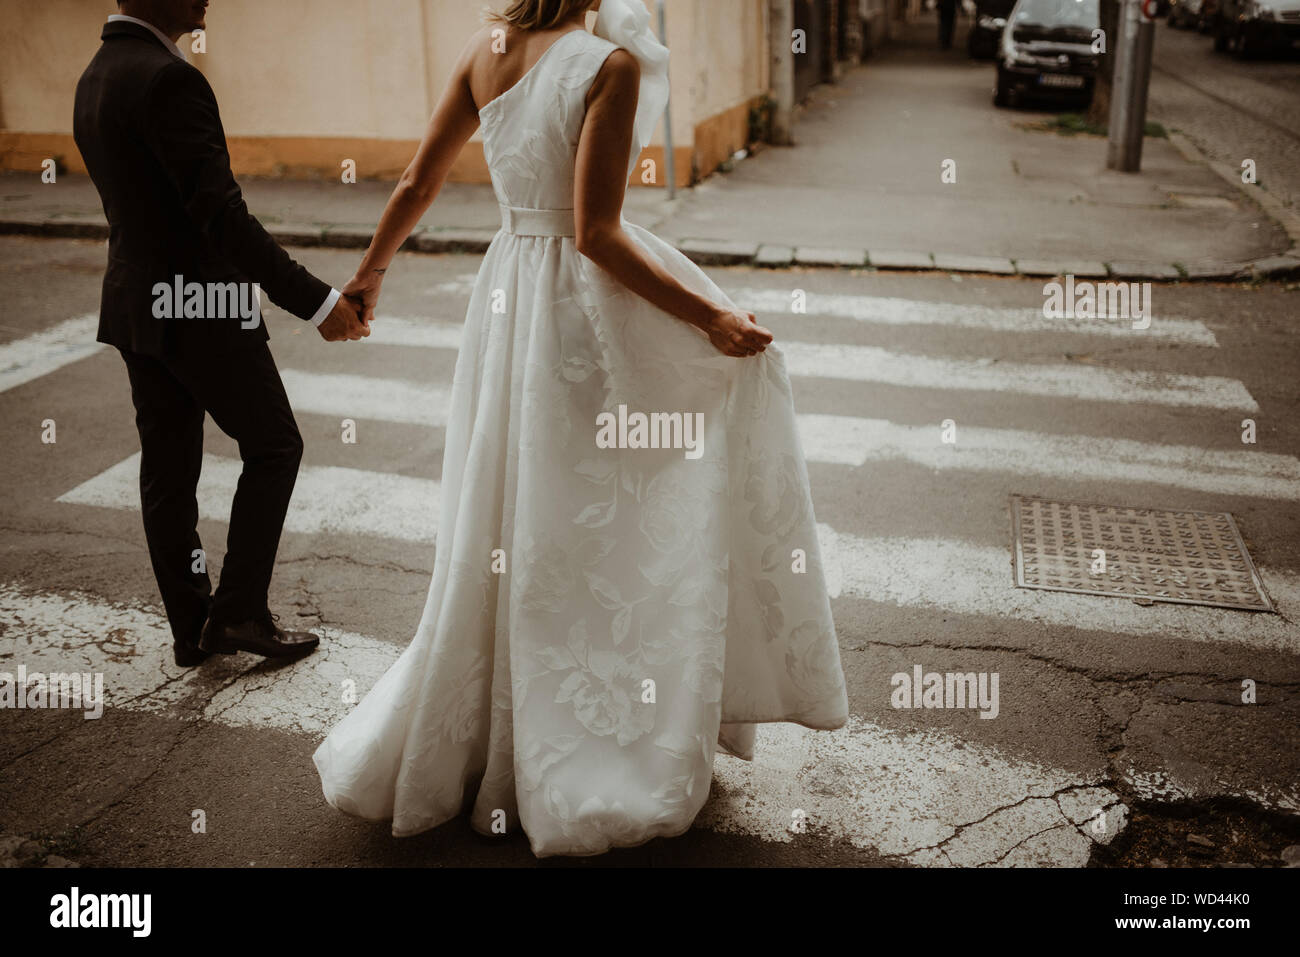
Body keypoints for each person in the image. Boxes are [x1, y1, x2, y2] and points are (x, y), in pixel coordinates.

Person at [313, 0, 848, 857]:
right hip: (572, 316)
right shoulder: (606, 67)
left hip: (506, 297)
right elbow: (597, 235)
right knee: (594, 519)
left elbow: (418, 182)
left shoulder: (483, 52)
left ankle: (496, 731)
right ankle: (593, 721)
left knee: (510, 510)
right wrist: (710, 317)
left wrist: (368, 279)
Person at [73, 0, 371, 668]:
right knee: (274, 445)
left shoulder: (96, 74)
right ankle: (237, 611)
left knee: (169, 467)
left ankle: (193, 625)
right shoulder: (168, 79)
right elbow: (223, 220)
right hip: (202, 305)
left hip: (137, 305)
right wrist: (317, 303)